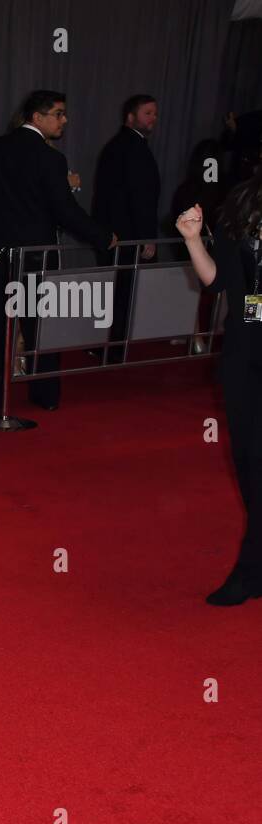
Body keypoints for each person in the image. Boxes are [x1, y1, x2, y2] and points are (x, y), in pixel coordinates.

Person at [0, 90, 117, 414]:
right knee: (43, 328)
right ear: (38, 117)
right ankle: (45, 395)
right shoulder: (51, 158)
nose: (65, 121)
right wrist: (103, 237)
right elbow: (65, 211)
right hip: (35, 258)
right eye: (59, 114)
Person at [176, 167, 262, 605]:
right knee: (247, 461)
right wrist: (193, 238)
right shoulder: (243, 205)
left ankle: (249, 571)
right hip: (246, 346)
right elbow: (217, 280)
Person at [91, 94, 161, 362]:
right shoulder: (134, 148)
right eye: (147, 113)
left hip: (111, 234)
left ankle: (108, 345)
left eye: (155, 113)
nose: (153, 118)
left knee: (113, 290)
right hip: (128, 236)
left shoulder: (117, 145)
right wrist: (147, 238)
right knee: (122, 292)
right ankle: (115, 348)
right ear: (130, 117)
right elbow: (141, 198)